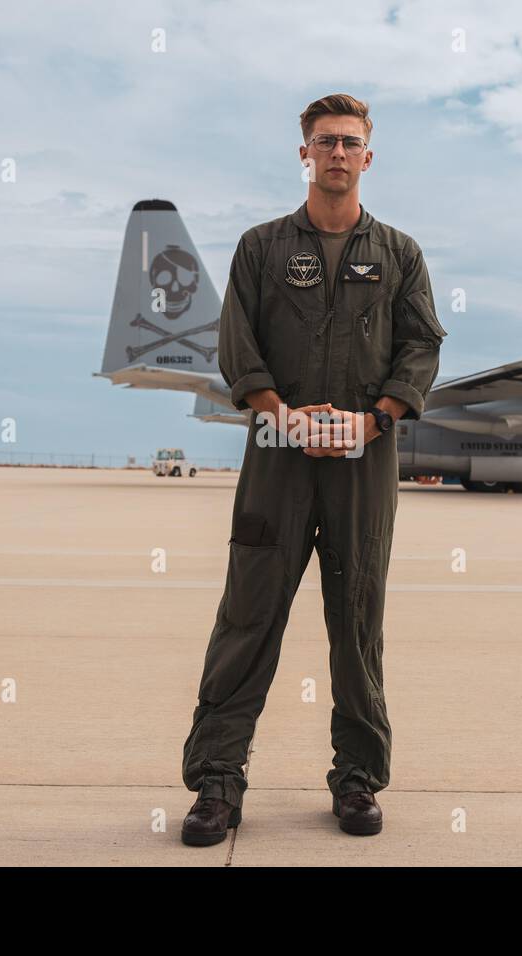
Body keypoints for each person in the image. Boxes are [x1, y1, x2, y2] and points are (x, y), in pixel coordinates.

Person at [180, 92, 447, 844]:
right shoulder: (261, 248)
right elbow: (238, 347)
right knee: (248, 615)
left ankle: (357, 779)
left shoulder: (400, 254)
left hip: (364, 457)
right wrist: (282, 414)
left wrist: (375, 420)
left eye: (350, 142)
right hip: (276, 455)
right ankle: (217, 783)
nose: (337, 152)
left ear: (369, 157)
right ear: (305, 152)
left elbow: (421, 348)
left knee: (357, 619)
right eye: (325, 141)